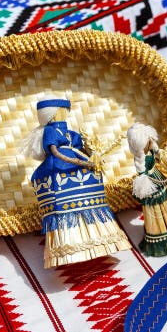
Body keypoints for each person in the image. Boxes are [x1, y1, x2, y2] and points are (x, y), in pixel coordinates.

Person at [25, 99, 131, 268]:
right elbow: (55, 152)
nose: (66, 112)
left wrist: (92, 156)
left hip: (75, 160)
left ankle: (96, 238)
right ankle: (70, 245)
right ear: (55, 112)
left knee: (90, 183)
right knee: (66, 191)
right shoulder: (50, 131)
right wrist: (79, 162)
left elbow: (80, 147)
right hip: (61, 166)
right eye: (63, 109)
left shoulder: (68, 132)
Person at [126, 123, 167, 256]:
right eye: (147, 140)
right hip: (151, 184)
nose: (150, 142)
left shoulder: (150, 148)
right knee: (155, 208)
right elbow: (142, 175)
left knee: (166, 203)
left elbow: (160, 154)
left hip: (158, 177)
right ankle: (159, 232)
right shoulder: (140, 159)